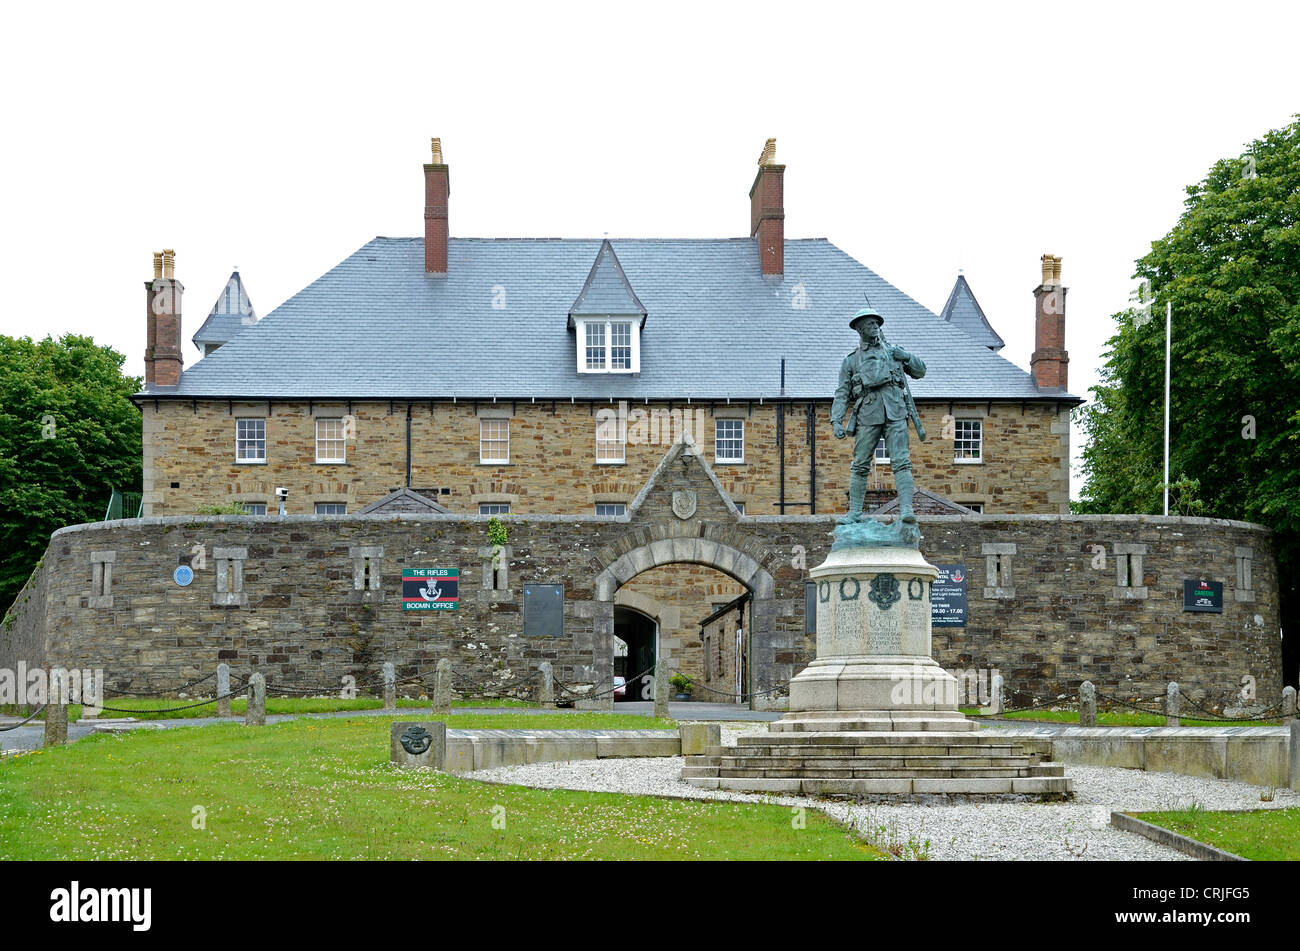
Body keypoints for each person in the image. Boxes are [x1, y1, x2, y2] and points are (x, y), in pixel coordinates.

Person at [831, 306, 926, 524]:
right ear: (860, 329)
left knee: (902, 461)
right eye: (870, 323)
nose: (875, 326)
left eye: (876, 323)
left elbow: (921, 371)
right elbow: (842, 392)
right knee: (860, 463)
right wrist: (836, 420)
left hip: (895, 410)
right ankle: (854, 512)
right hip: (868, 413)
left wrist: (907, 357)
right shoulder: (851, 361)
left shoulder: (894, 352)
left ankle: (906, 510)